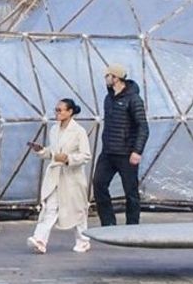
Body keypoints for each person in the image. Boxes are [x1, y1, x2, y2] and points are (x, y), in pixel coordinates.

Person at [26, 98, 93, 254]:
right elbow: (53, 152)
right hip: (55, 175)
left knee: (77, 209)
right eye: (56, 110)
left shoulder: (79, 131)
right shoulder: (54, 130)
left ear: (70, 112)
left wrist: (68, 159)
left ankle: (83, 240)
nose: (57, 113)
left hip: (72, 178)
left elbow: (86, 155)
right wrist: (42, 151)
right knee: (50, 207)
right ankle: (40, 240)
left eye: (60, 110)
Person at [93, 63, 149, 226]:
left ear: (116, 78)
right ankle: (108, 223)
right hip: (108, 152)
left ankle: (132, 225)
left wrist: (137, 151)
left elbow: (143, 127)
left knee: (131, 192)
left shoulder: (133, 99)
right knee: (99, 184)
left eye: (107, 76)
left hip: (126, 153)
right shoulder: (108, 98)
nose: (105, 78)